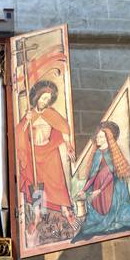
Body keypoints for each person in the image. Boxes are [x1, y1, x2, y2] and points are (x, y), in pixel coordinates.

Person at [17, 80, 77, 229]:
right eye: (43, 98)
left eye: (48, 99)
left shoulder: (51, 113)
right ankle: (37, 216)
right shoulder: (30, 115)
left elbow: (64, 128)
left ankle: (65, 210)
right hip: (34, 155)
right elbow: (19, 134)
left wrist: (68, 145)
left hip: (50, 153)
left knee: (58, 183)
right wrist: (27, 121)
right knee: (36, 184)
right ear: (37, 97)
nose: (45, 101)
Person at [73, 120, 130, 241]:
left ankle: (111, 218)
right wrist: (83, 190)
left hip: (113, 189)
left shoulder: (113, 153)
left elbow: (111, 175)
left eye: (100, 136)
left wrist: (100, 190)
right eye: (97, 136)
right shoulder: (97, 154)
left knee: (123, 215)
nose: (97, 139)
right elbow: (93, 176)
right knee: (90, 219)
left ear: (107, 138)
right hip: (98, 190)